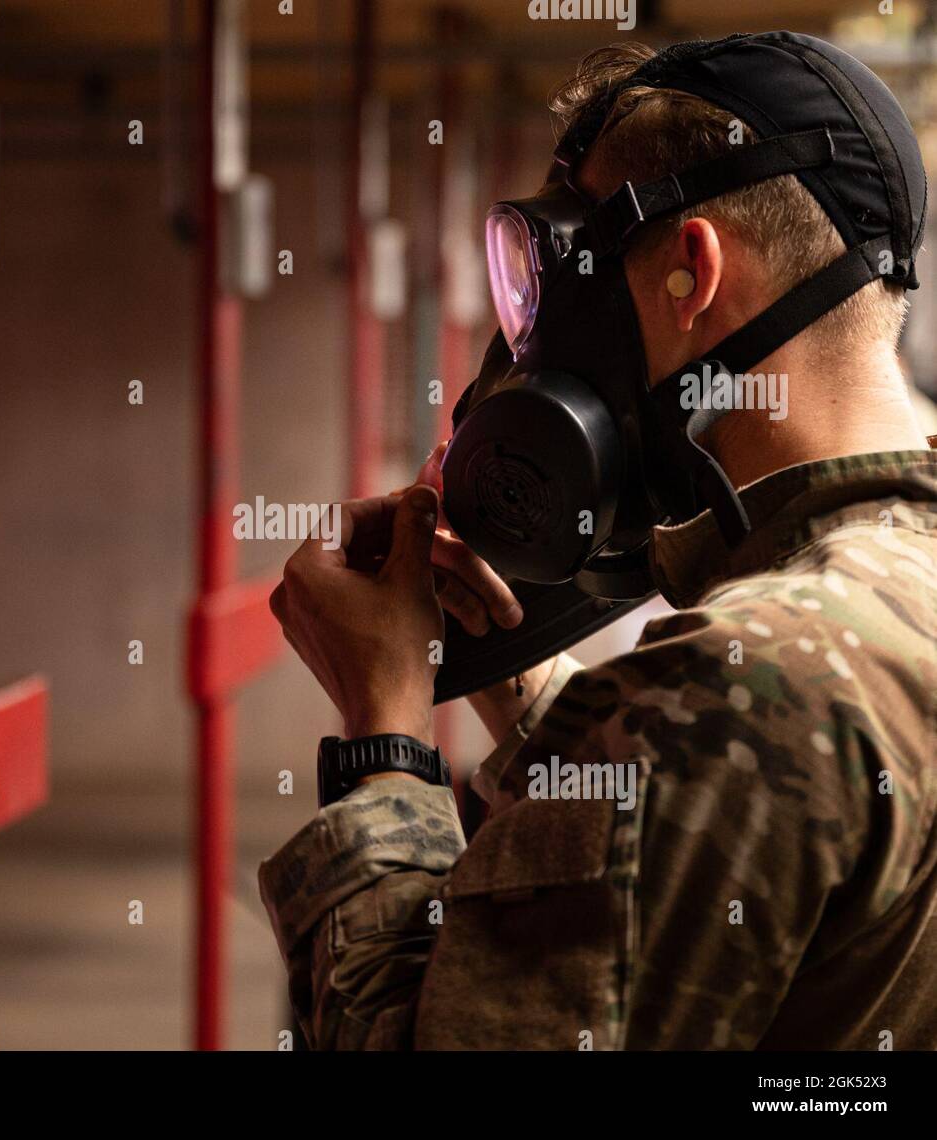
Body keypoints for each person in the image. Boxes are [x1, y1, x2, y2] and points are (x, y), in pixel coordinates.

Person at [259, 33, 937, 1050]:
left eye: (568, 274)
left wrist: (381, 741)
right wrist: (503, 672)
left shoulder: (741, 675)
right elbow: (719, 833)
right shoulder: (873, 601)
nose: (534, 337)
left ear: (690, 271)